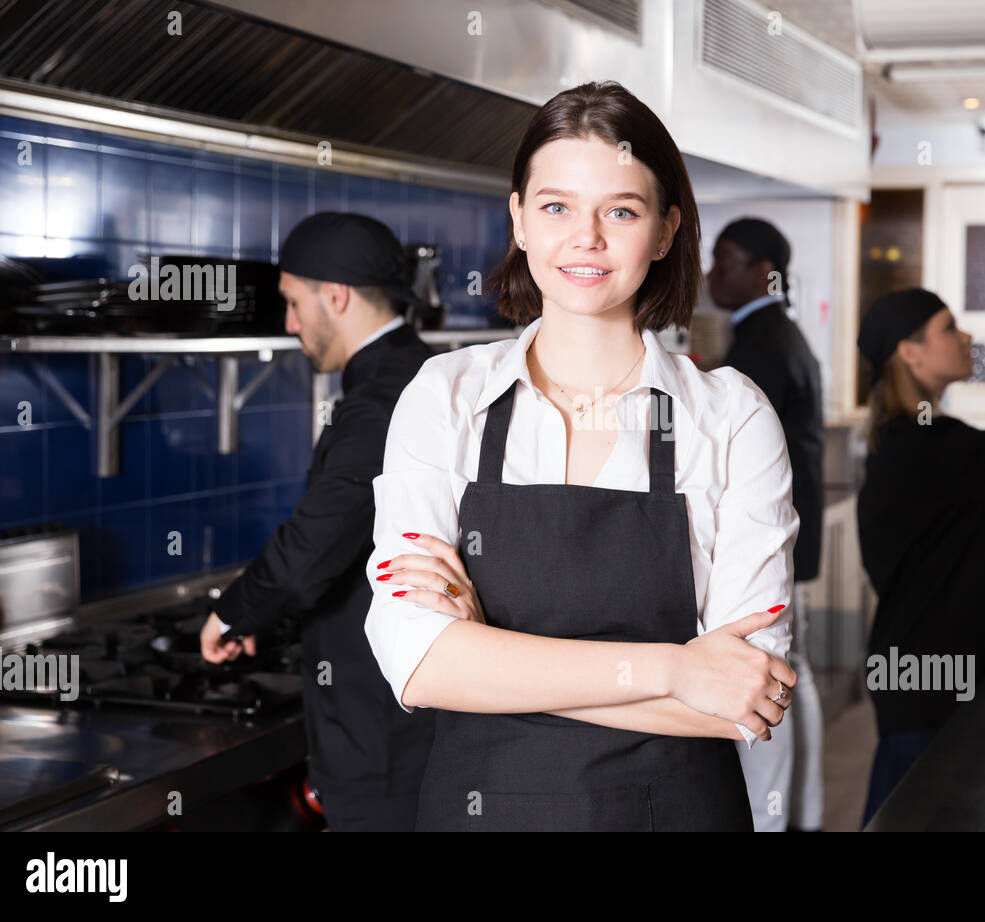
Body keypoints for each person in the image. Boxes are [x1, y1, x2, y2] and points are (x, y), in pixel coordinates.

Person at [363, 81, 800, 832]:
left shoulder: (731, 415)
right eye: (556, 206)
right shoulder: (446, 396)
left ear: (665, 231)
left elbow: (745, 697)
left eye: (621, 211)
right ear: (519, 221)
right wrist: (674, 669)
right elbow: (418, 661)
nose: (585, 239)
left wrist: (487, 656)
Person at [199, 212, 438, 831]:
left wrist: (234, 610)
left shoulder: (385, 395)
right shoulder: (412, 371)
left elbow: (318, 539)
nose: (290, 324)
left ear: (335, 296)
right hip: (393, 718)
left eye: (293, 303)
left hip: (382, 731)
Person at [855, 288, 985, 827]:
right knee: (912, 817)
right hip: (924, 679)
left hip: (925, 673)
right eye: (949, 327)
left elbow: (914, 546)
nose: (966, 337)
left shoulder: (911, 440)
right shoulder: (924, 442)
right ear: (911, 351)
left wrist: (981, 532)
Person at [708, 218, 825, 832]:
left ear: (761, 271)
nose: (710, 274)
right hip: (792, 542)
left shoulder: (758, 343)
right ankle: (801, 813)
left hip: (771, 545)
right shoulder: (784, 333)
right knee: (790, 680)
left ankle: (772, 820)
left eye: (724, 261)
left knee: (765, 683)